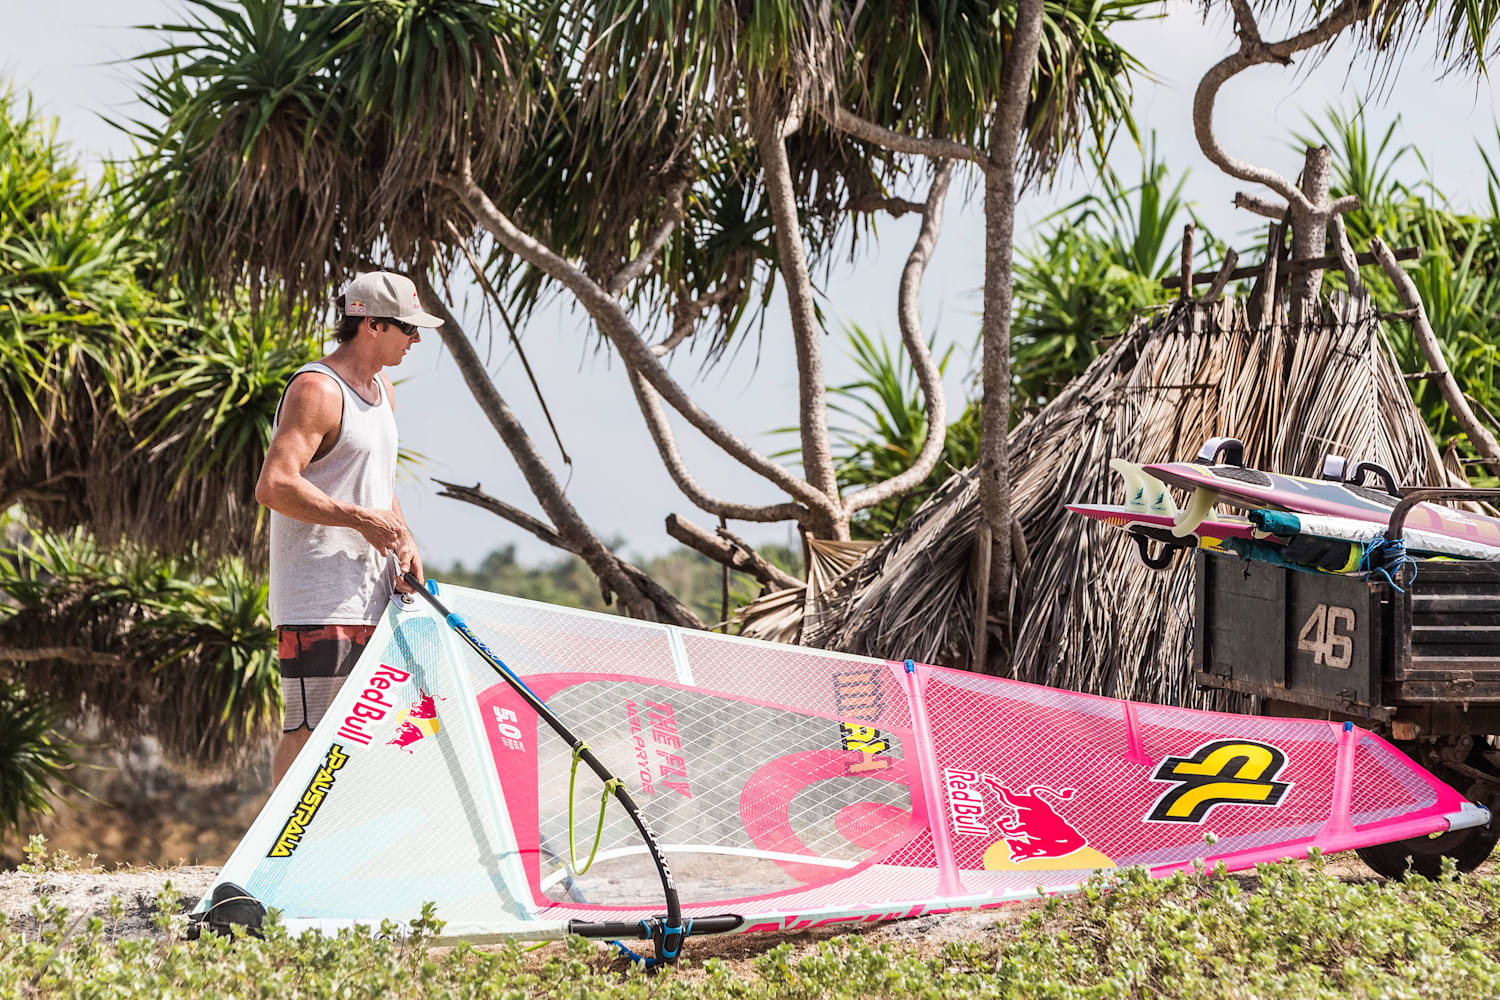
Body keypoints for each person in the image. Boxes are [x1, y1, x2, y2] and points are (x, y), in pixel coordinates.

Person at [255, 271, 443, 784]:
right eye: (408, 328)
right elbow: (274, 485)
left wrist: (405, 541)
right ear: (372, 325)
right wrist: (360, 520)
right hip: (318, 598)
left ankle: (345, 835)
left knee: (378, 735)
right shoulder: (317, 389)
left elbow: (377, 484)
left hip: (376, 594)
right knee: (311, 732)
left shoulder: (383, 391)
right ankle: (281, 839)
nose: (416, 340)